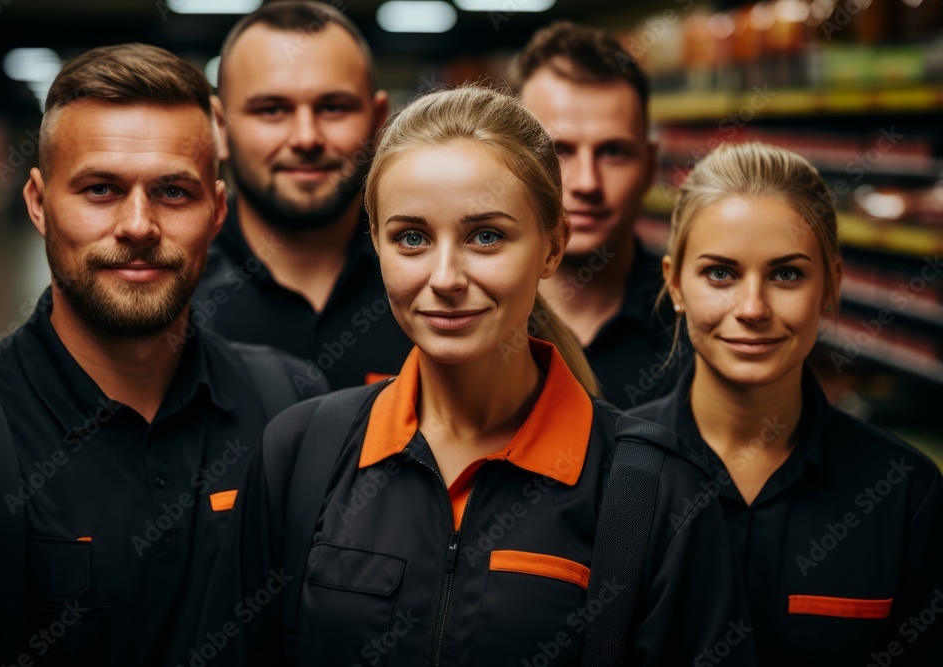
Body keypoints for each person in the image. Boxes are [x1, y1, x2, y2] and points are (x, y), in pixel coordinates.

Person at [198, 86, 755, 666]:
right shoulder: (299, 454)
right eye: (412, 238)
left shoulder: (657, 493)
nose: (445, 277)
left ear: (553, 246)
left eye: (486, 236)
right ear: (377, 245)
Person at [0, 43, 326, 667]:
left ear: (218, 210)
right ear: (38, 203)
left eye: (174, 191)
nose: (140, 225)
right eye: (100, 189)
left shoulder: (294, 407)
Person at [630, 142, 943, 667]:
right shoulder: (609, 472)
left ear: (832, 284)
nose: (753, 308)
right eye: (720, 273)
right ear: (675, 284)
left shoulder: (906, 495)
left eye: (786, 275)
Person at [194, 1, 413, 390]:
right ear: (221, 127)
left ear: (379, 121)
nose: (306, 138)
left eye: (333, 107)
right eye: (272, 110)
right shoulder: (176, 289)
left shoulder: (434, 279)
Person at [516, 22, 688, 408]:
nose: (587, 183)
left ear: (649, 166)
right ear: (513, 162)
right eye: (558, 151)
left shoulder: (701, 328)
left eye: (613, 152)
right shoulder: (463, 318)